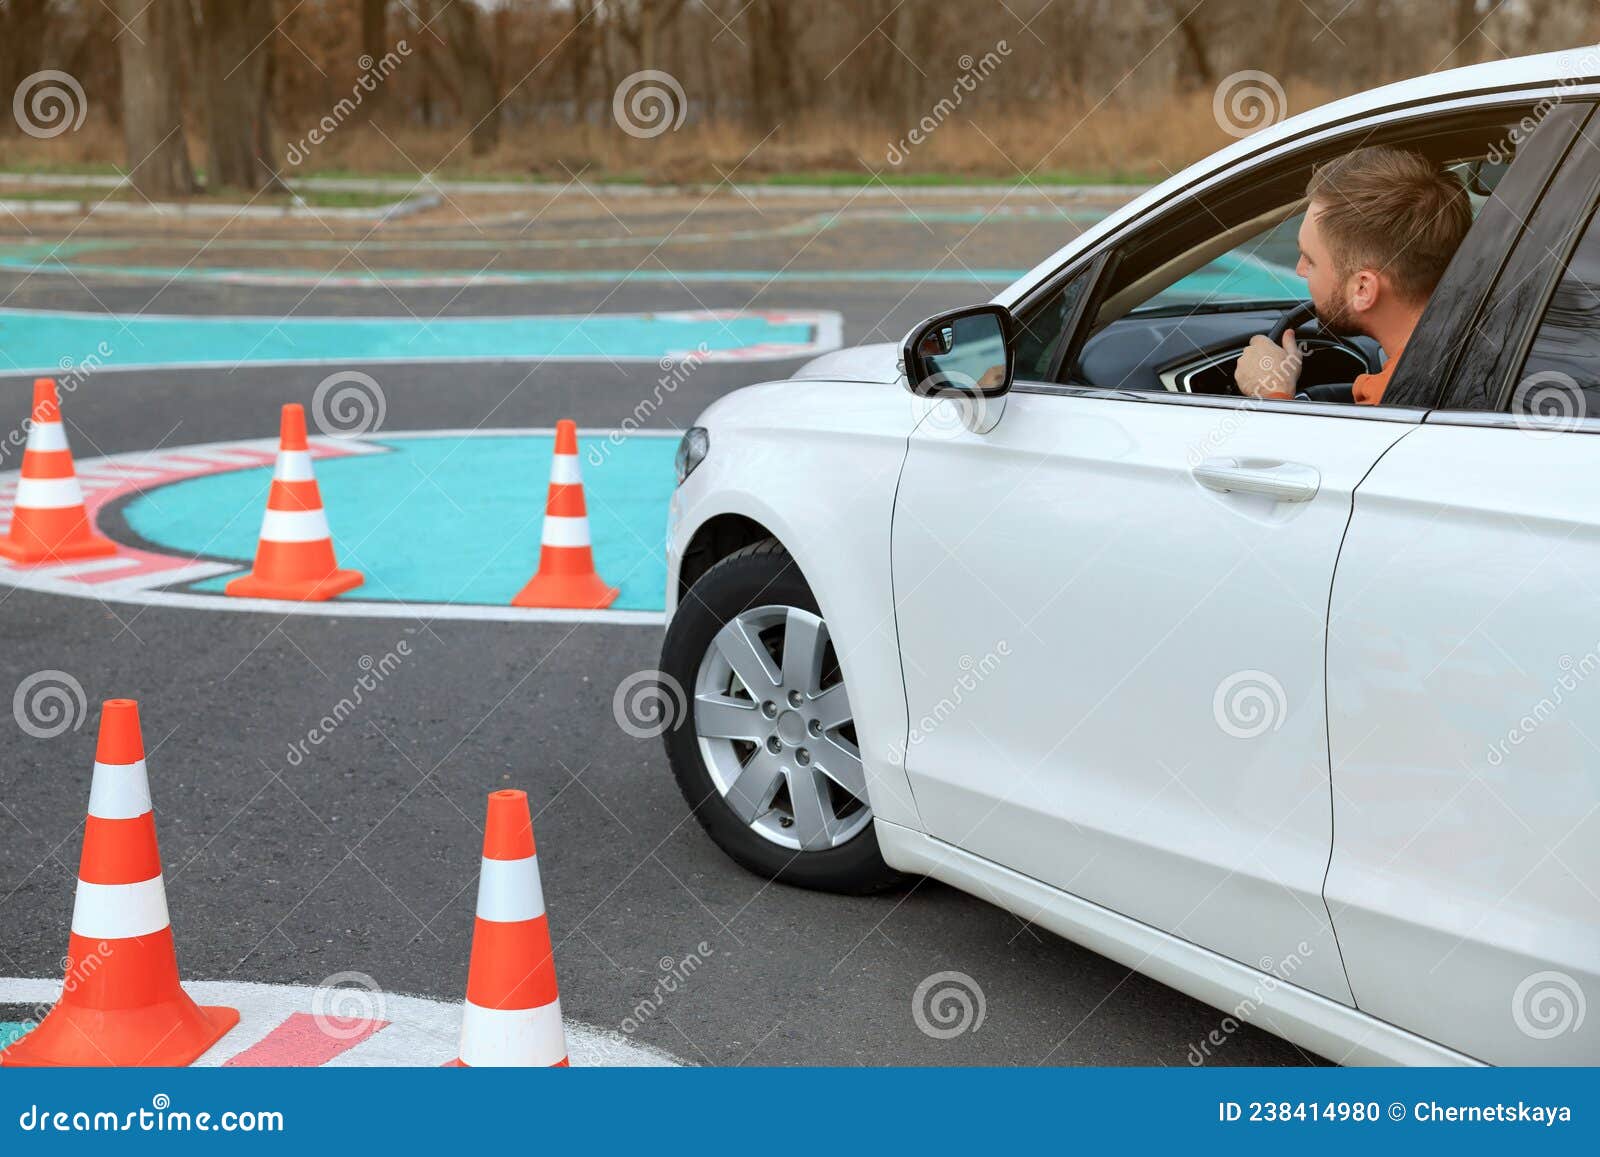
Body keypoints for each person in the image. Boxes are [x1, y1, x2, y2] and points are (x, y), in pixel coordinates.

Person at [1234, 146, 1473, 404]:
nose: (1299, 270)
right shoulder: (1477, 354)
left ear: (1363, 289)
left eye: (1310, 260)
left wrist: (1274, 394)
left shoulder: (1399, 405)